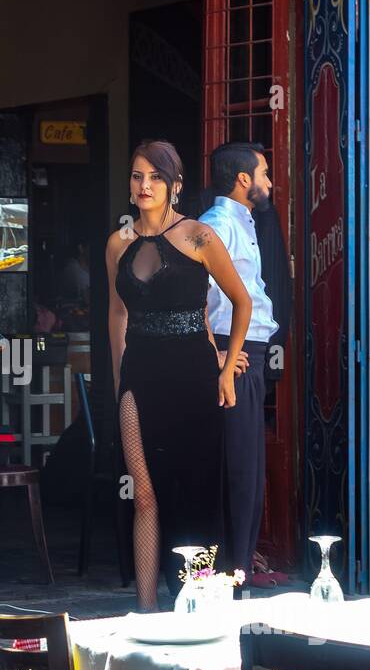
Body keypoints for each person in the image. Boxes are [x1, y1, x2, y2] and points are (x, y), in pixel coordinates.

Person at [105, 140, 252, 611]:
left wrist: (226, 370)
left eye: (154, 177)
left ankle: (199, 603)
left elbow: (242, 301)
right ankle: (146, 611)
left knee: (196, 492)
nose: (144, 185)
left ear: (174, 185)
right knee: (143, 494)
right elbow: (117, 315)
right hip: (140, 375)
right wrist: (118, 381)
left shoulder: (199, 236)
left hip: (193, 376)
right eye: (136, 176)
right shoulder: (118, 243)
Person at [200, 142, 280, 579]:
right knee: (236, 468)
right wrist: (218, 356)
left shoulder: (241, 223)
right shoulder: (216, 225)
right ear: (244, 179)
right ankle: (228, 571)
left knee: (247, 466)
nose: (269, 182)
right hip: (238, 353)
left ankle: (239, 565)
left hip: (249, 351)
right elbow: (199, 296)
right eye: (264, 173)